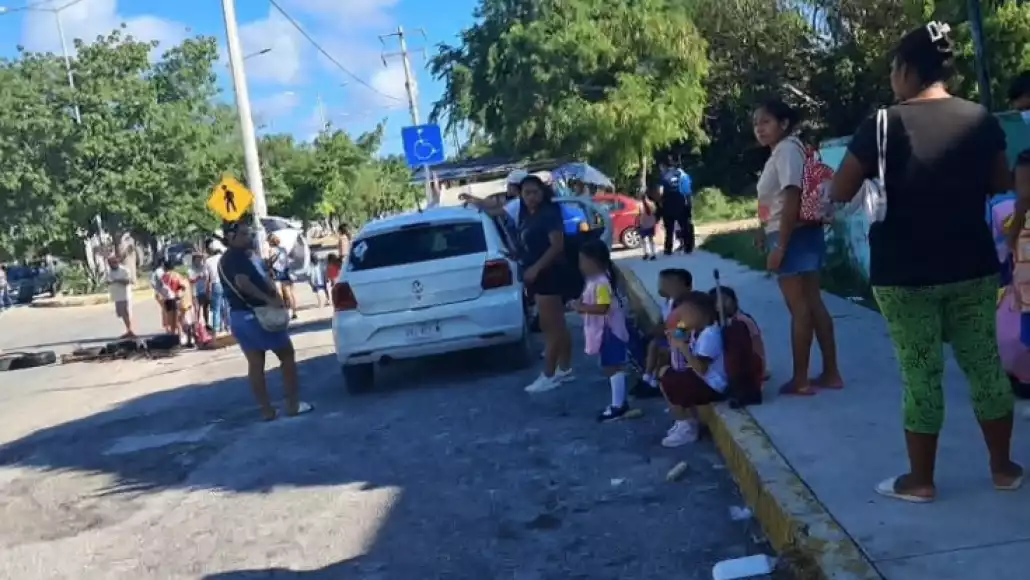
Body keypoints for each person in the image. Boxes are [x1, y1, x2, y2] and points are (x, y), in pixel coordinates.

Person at [830, 22, 1021, 502]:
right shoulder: (980, 119)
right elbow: (1000, 180)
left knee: (920, 373)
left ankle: (921, 480)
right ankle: (1002, 468)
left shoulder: (881, 124)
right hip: (971, 264)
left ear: (907, 70)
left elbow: (840, 191)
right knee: (985, 366)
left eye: (894, 68)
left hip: (904, 270)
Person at [753, 98, 843, 396]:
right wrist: (762, 230)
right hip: (799, 232)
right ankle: (830, 374)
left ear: (784, 124)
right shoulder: (784, 151)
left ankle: (801, 379)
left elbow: (792, 195)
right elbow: (775, 200)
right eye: (756, 124)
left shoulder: (787, 150)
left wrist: (781, 246)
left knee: (800, 308)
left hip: (792, 234)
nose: (760, 128)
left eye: (766, 122)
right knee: (813, 303)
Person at [463, 174, 576, 392]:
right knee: (557, 324)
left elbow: (556, 246)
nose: (531, 197)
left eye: (535, 192)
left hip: (550, 273)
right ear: (520, 195)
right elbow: (498, 212)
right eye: (527, 193)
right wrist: (518, 256)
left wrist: (536, 267)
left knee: (550, 327)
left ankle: (549, 374)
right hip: (537, 273)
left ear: (542, 192)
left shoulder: (549, 214)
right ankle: (565, 368)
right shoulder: (525, 214)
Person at [219, 221, 311, 421]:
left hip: (239, 316)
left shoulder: (226, 259)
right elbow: (242, 283)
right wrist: (269, 298)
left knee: (255, 363)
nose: (249, 237)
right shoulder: (239, 257)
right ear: (231, 237)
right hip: (258, 314)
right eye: (244, 234)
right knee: (286, 354)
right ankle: (293, 404)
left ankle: (266, 410)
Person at [570, 239, 631, 421]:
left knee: (612, 366)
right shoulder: (594, 281)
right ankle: (619, 402)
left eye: (583, 261)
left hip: (609, 330)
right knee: (609, 365)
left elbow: (603, 307)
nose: (580, 265)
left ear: (594, 261)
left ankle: (618, 406)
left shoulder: (602, 283)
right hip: (603, 330)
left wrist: (581, 308)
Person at [658, 291, 728, 447]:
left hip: (712, 384)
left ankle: (687, 428)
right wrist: (677, 335)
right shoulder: (697, 329)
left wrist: (682, 346)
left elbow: (701, 368)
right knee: (665, 373)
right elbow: (678, 332)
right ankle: (683, 421)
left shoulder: (711, 334)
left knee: (670, 380)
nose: (682, 319)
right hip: (704, 378)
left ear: (702, 313)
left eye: (686, 314)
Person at [636, 268, 693, 397]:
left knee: (664, 352)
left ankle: (656, 382)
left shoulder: (686, 305)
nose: (661, 287)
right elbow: (662, 321)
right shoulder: (669, 302)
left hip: (683, 342)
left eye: (666, 284)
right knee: (653, 345)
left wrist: (669, 333)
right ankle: (647, 377)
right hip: (671, 337)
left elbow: (683, 328)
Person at [709, 285, 768, 381]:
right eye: (717, 301)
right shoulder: (713, 323)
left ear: (734, 301)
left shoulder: (743, 321)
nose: (722, 304)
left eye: (725, 300)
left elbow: (757, 347)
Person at [658, 161, 695, 254]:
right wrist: (689, 204)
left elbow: (660, 192)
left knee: (669, 230)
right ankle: (688, 247)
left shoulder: (664, 177)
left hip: (668, 205)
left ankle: (668, 249)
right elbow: (687, 191)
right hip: (680, 203)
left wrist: (660, 204)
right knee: (684, 227)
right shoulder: (681, 174)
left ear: (665, 166)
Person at [267, 234, 298, 320]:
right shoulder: (283, 249)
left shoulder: (271, 250)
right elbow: (287, 261)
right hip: (286, 271)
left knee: (279, 294)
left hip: (276, 272)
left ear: (270, 241)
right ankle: (294, 311)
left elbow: (270, 263)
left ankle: (283, 312)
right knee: (289, 293)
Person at [106, 255, 135, 338]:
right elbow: (108, 281)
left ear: (117, 262)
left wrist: (116, 280)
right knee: (122, 314)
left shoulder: (124, 270)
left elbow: (128, 281)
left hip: (124, 295)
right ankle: (128, 330)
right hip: (116, 296)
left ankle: (130, 331)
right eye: (110, 263)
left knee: (126, 313)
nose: (111, 265)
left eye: (113, 263)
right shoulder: (109, 271)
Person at [205, 240, 229, 335]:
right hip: (226, 283)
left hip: (216, 284)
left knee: (216, 308)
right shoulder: (224, 258)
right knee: (227, 306)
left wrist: (208, 289)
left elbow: (207, 278)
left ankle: (217, 329)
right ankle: (228, 327)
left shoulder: (208, 261)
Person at [150, 261, 175, 333]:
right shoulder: (159, 272)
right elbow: (153, 283)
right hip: (162, 294)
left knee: (167, 310)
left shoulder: (164, 271)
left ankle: (169, 326)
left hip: (167, 294)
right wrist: (158, 292)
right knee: (166, 310)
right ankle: (168, 327)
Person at [189, 253, 211, 329]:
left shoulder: (203, 267)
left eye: (200, 259)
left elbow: (207, 277)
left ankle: (207, 323)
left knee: (206, 307)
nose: (199, 260)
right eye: (197, 259)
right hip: (195, 291)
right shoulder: (191, 269)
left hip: (204, 290)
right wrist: (198, 277)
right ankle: (197, 325)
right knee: (197, 309)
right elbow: (191, 280)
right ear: (194, 260)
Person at [637, 192, 658, 260]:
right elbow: (655, 212)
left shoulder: (640, 205)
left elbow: (639, 214)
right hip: (651, 223)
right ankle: (653, 253)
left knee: (643, 239)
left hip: (643, 224)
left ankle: (645, 253)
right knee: (651, 239)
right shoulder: (652, 203)